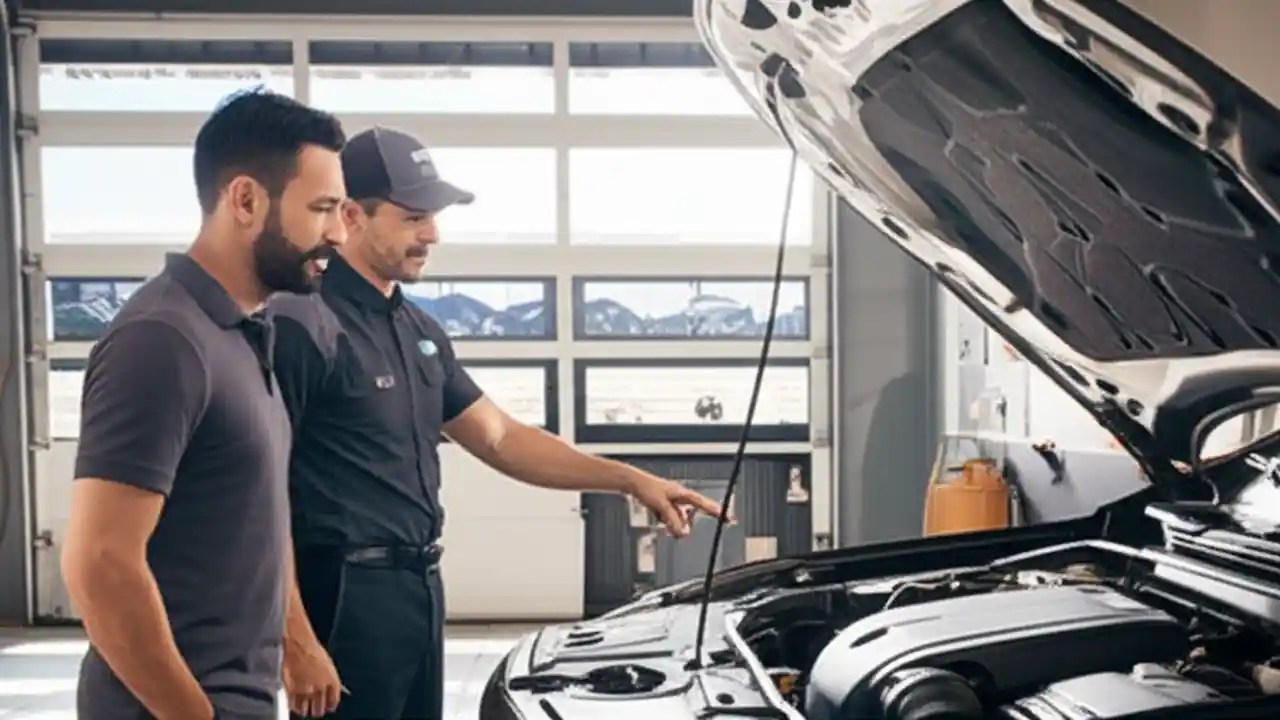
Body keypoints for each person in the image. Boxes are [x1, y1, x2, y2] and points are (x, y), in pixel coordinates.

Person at [270, 126, 728, 719]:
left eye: (432, 217)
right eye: (413, 218)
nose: (432, 234)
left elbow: (501, 437)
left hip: (418, 587)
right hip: (342, 593)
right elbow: (260, 494)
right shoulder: (302, 326)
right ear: (353, 216)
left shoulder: (418, 331)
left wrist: (629, 479)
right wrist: (296, 641)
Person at [58, 88, 349, 720]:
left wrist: (296, 642)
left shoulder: (248, 334)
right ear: (245, 200)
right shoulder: (162, 340)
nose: (338, 232)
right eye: (322, 208)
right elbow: (99, 563)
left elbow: (257, 517)